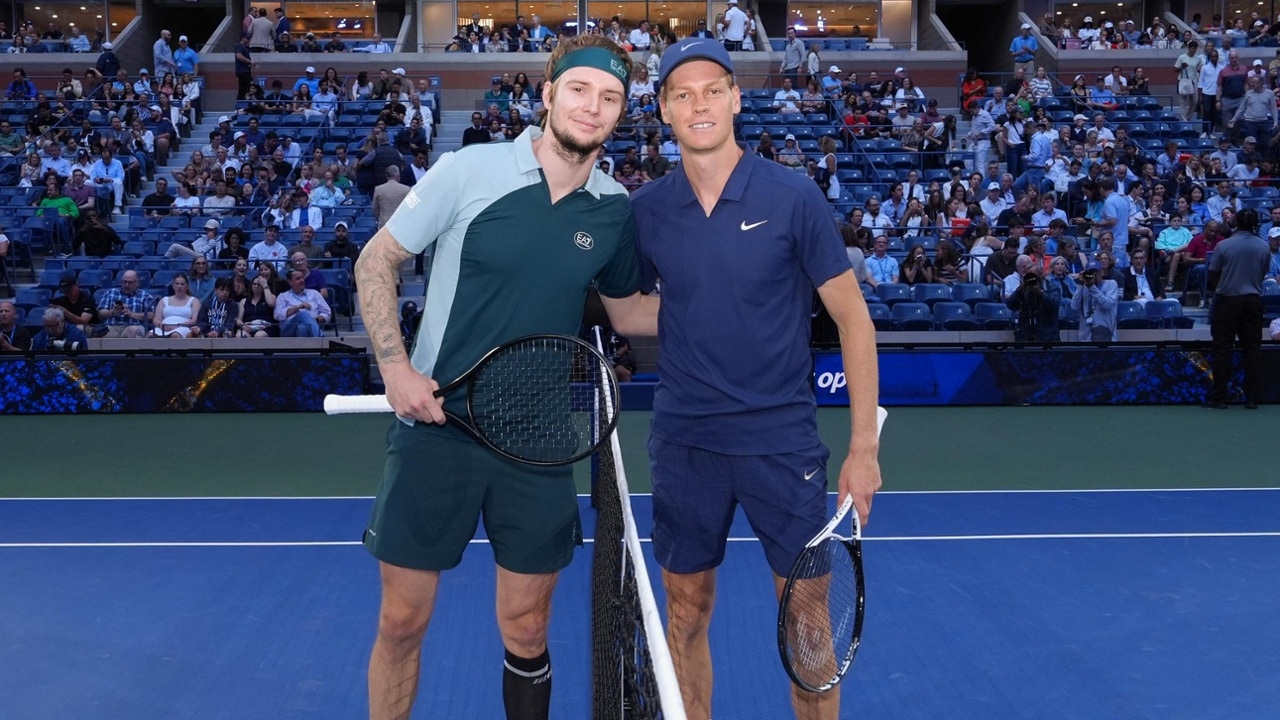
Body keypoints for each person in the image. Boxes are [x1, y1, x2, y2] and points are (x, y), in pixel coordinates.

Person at [353, 35, 657, 720]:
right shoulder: (466, 170)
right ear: (548, 95)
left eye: (610, 97)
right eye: (579, 89)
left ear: (621, 113)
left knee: (527, 629)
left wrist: (745, 300)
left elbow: (634, 310)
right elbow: (376, 263)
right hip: (437, 430)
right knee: (402, 622)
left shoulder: (613, 210)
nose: (593, 105)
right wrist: (396, 369)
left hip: (540, 445)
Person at [629, 39, 881, 720]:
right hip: (685, 445)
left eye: (713, 89)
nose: (699, 104)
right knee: (685, 610)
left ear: (737, 99)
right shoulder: (647, 210)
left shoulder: (793, 197)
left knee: (805, 621)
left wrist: (863, 449)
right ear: (663, 111)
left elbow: (855, 321)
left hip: (782, 445)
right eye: (682, 94)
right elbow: (635, 308)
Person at [1206, 207, 1269, 409]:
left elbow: (1213, 274)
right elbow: (1262, 272)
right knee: (1252, 349)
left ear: (1236, 223)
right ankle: (1252, 398)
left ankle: (1220, 397)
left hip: (1228, 299)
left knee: (1222, 348)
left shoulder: (1224, 245)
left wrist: (1221, 288)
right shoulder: (1263, 246)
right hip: (1252, 299)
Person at [1070, 261, 1118, 341]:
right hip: (1085, 335)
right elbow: (1074, 306)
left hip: (1105, 334)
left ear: (1101, 272)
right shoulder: (1084, 287)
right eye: (1091, 273)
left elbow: (1107, 305)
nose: (1093, 275)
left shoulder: (1111, 284)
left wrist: (1092, 287)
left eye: (1096, 272)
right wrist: (1080, 285)